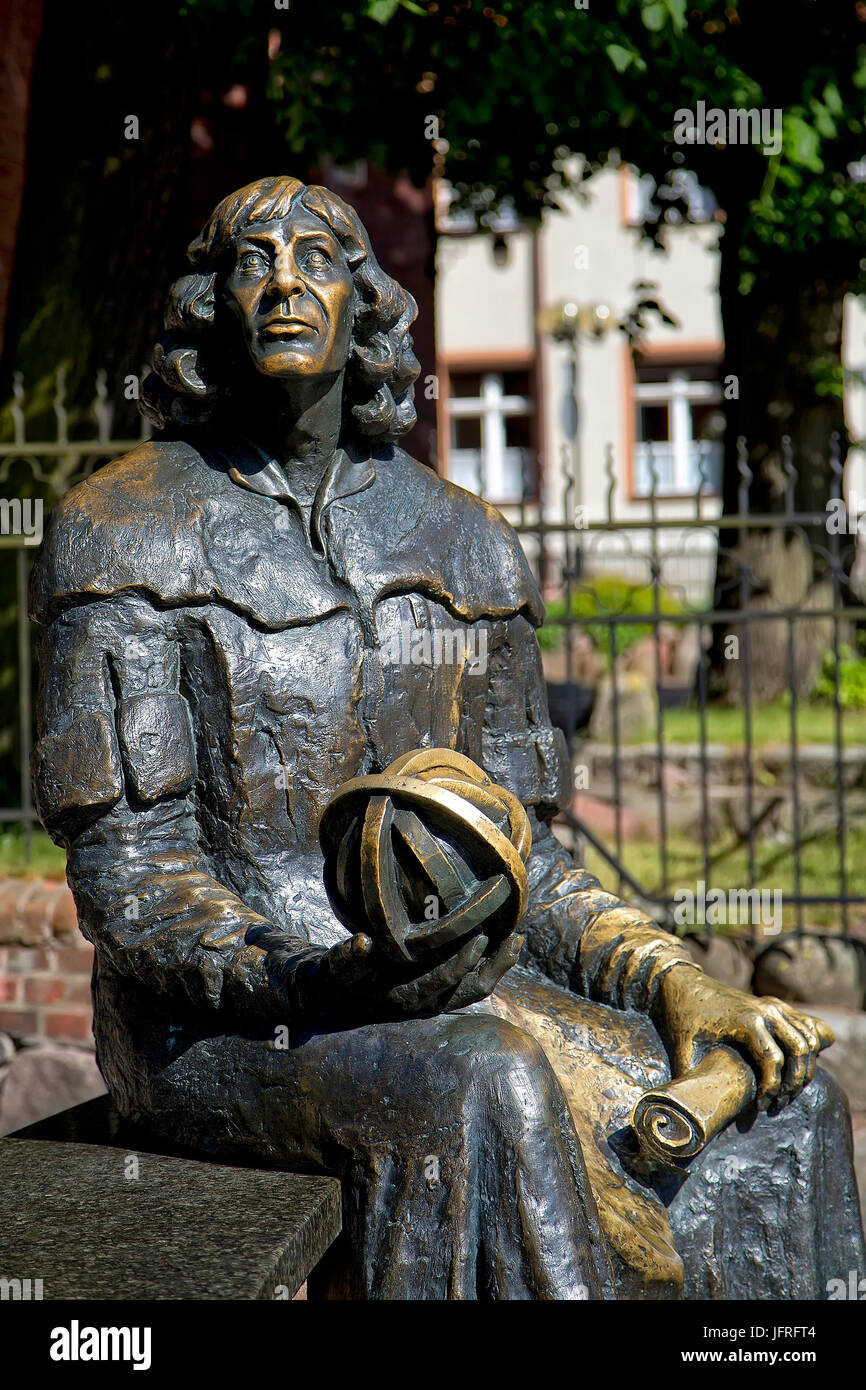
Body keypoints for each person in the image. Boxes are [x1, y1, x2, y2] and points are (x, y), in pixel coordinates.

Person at [30, 176, 865, 1300]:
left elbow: (526, 864)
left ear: (363, 304)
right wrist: (325, 976)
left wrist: (676, 981)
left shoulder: (465, 542)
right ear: (208, 309)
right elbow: (137, 882)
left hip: (450, 989)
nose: (284, 281)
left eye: (318, 257)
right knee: (484, 1081)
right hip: (212, 1027)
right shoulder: (119, 530)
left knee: (788, 1093)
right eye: (250, 261)